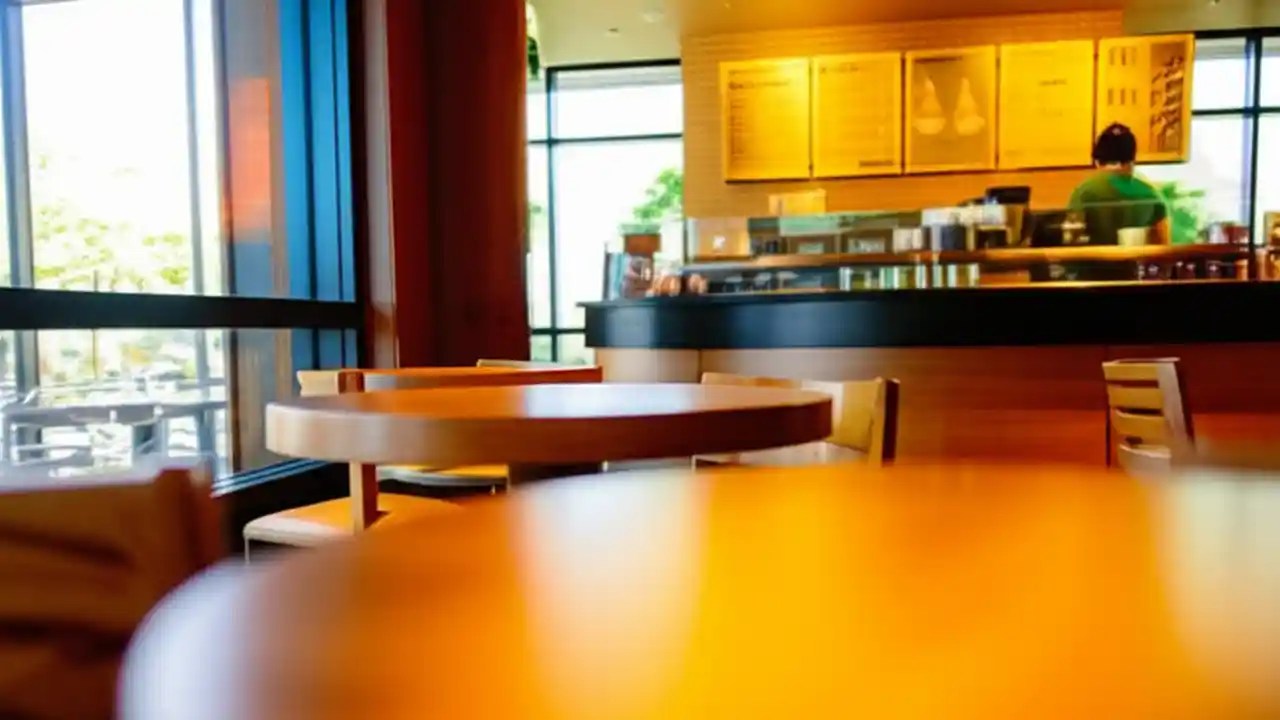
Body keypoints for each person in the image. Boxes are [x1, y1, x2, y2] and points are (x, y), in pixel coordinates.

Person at [1069, 123, 1171, 247]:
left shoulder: (1084, 191)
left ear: (1097, 161)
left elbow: (1072, 238)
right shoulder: (1151, 194)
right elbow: (1163, 245)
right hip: (1134, 264)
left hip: (1094, 265)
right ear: (1132, 161)